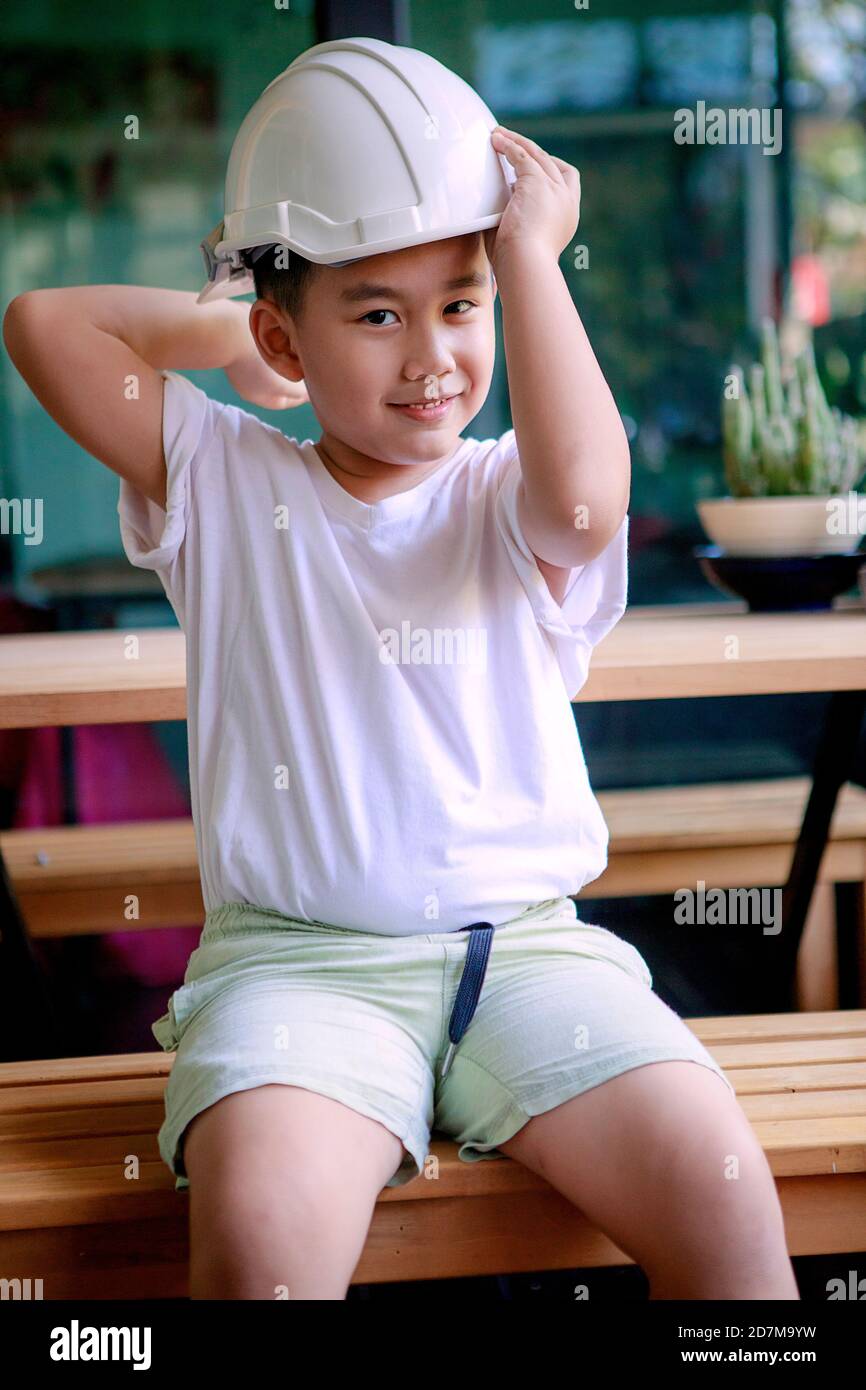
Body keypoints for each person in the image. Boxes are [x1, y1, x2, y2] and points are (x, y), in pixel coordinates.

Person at [2, 37, 799, 1302]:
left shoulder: (507, 494)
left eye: (462, 303)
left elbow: (589, 504)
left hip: (533, 962)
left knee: (726, 1209)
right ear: (286, 330)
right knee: (263, 1239)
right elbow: (46, 323)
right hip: (299, 975)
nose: (430, 355)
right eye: (375, 313)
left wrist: (527, 256)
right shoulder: (223, 477)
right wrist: (228, 344)